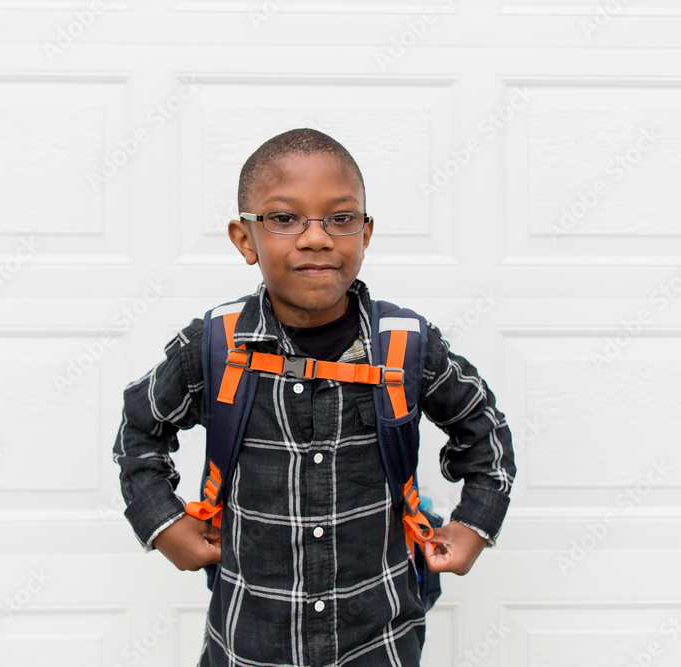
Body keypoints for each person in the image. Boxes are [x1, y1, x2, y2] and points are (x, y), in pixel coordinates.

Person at [112, 128, 515, 666]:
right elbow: (139, 431)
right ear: (244, 239)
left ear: (366, 234)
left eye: (341, 218)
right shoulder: (214, 345)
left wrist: (475, 523)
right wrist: (163, 523)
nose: (316, 238)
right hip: (247, 643)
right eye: (284, 219)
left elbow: (483, 427)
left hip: (382, 641)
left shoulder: (406, 344)